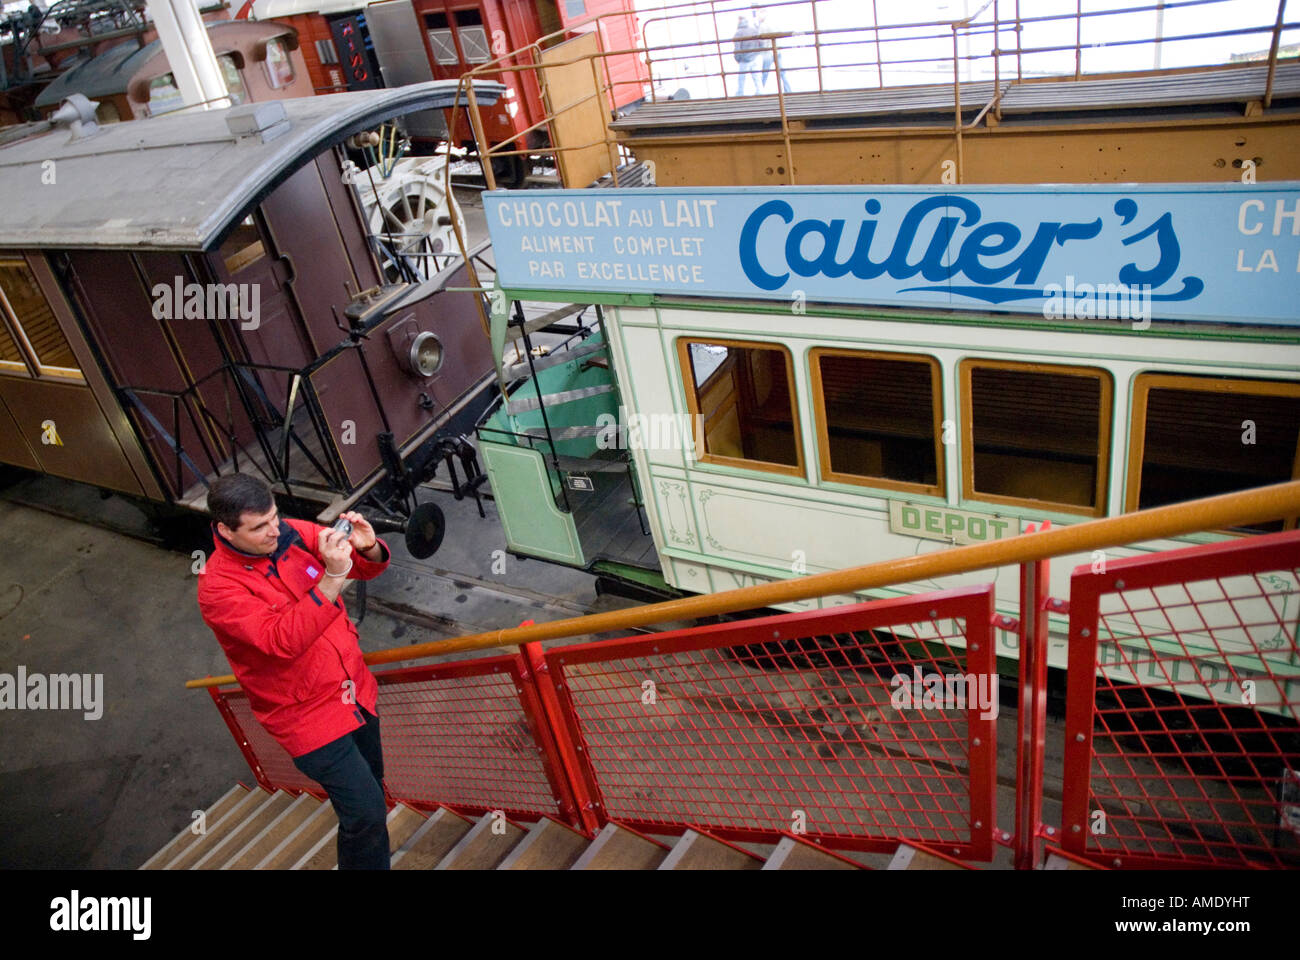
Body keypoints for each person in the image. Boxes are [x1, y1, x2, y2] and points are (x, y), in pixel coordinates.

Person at [196, 473, 393, 869]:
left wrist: (368, 548)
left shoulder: (290, 534)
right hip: (306, 718)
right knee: (366, 813)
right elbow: (281, 640)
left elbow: (361, 567)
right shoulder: (218, 590)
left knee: (373, 788)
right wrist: (333, 576)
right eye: (259, 527)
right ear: (225, 530)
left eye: (275, 517)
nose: (274, 530)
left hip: (353, 692)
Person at [751, 8, 792, 94]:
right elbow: (781, 33)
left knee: (765, 73)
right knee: (782, 72)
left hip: (768, 52)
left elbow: (760, 39)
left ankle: (759, 92)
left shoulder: (762, 26)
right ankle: (788, 90)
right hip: (778, 49)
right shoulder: (775, 23)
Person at [732, 13, 763, 95]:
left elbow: (737, 48)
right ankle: (760, 91)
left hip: (744, 58)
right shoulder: (753, 30)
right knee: (756, 76)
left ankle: (740, 92)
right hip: (754, 57)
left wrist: (737, 58)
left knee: (742, 77)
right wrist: (757, 52)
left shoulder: (738, 33)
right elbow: (761, 42)